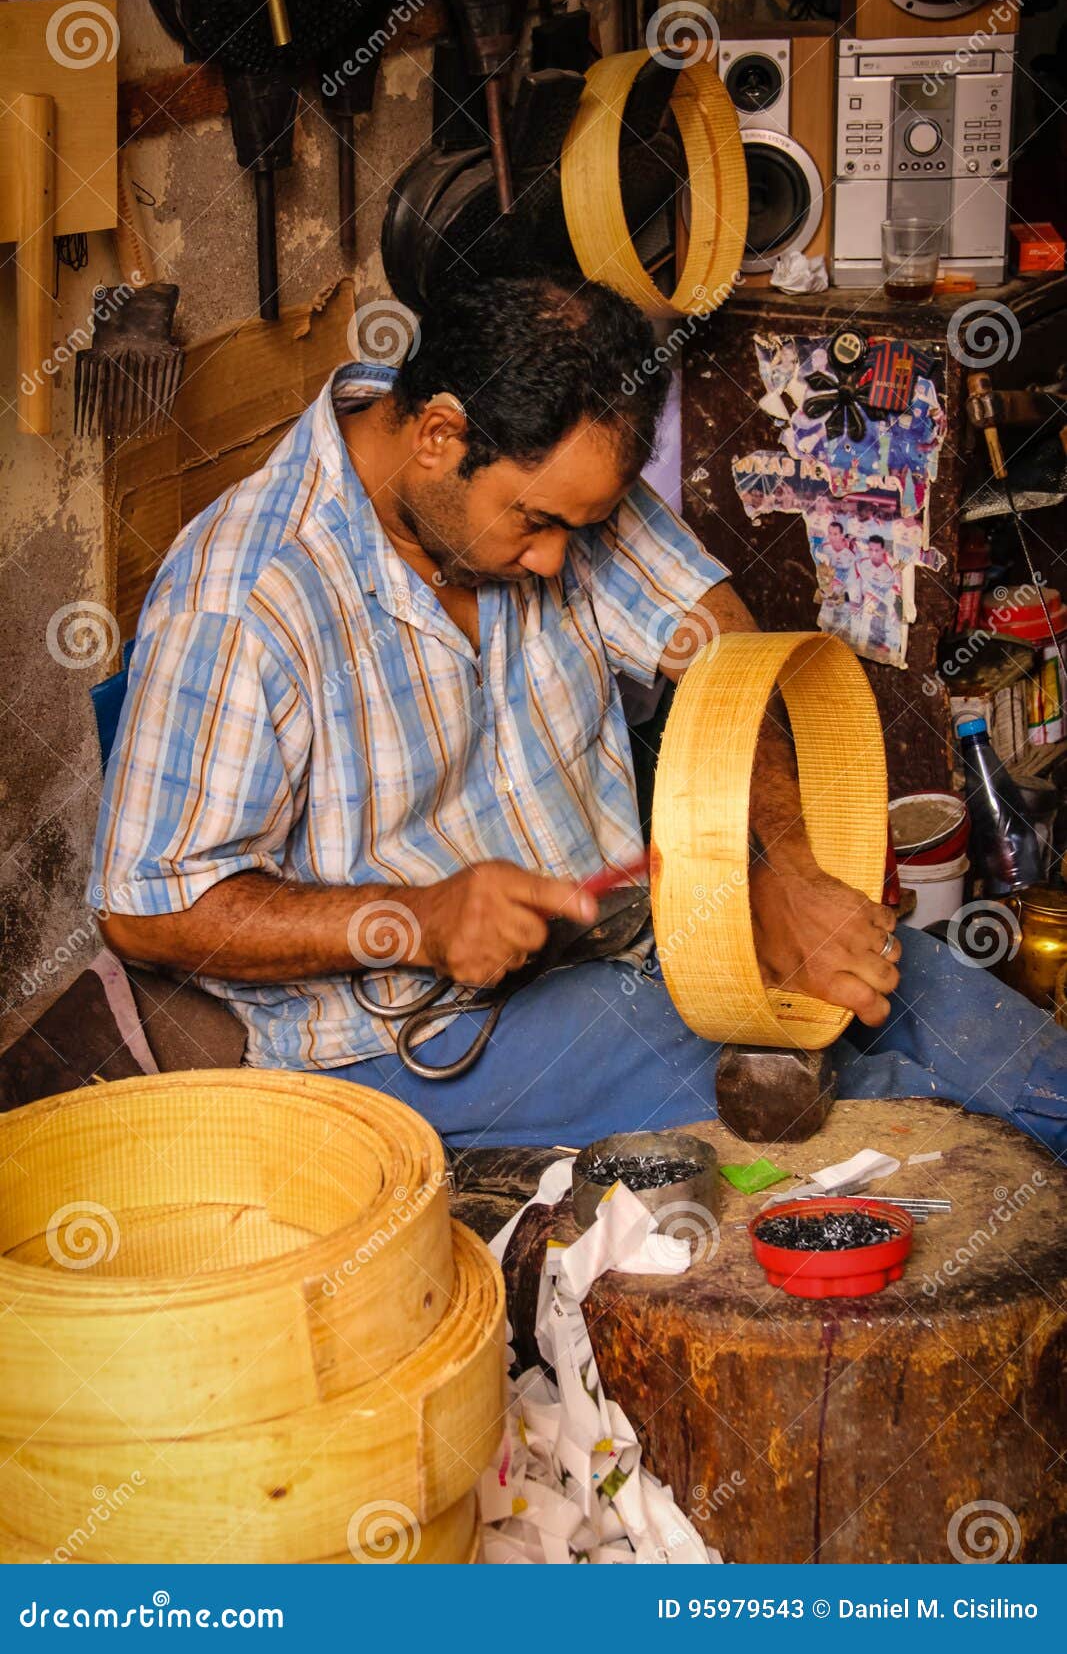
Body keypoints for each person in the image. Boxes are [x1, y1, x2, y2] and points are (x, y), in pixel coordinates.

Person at [91, 275, 1066, 1158]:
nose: (559, 562)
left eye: (582, 528)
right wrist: (414, 917)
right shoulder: (245, 595)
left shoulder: (551, 450)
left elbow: (714, 640)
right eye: (537, 523)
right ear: (436, 437)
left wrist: (781, 872)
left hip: (630, 932)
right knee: (913, 1121)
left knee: (997, 1044)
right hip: (429, 1032)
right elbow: (144, 904)